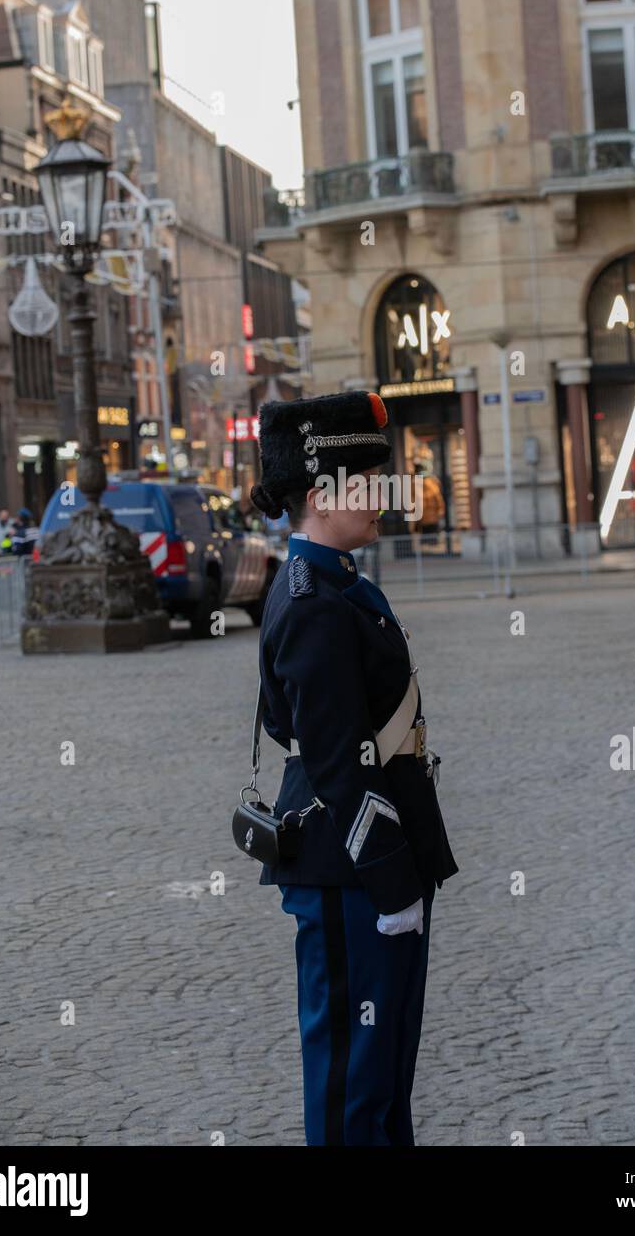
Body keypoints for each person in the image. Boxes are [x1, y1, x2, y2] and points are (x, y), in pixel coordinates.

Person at [248, 389, 459, 1147]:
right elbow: (335, 759)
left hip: (368, 862)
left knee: (387, 1064)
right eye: (364, 482)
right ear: (318, 495)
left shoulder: (337, 581)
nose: (381, 495)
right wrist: (393, 879)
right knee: (353, 1076)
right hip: (353, 871)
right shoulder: (311, 597)